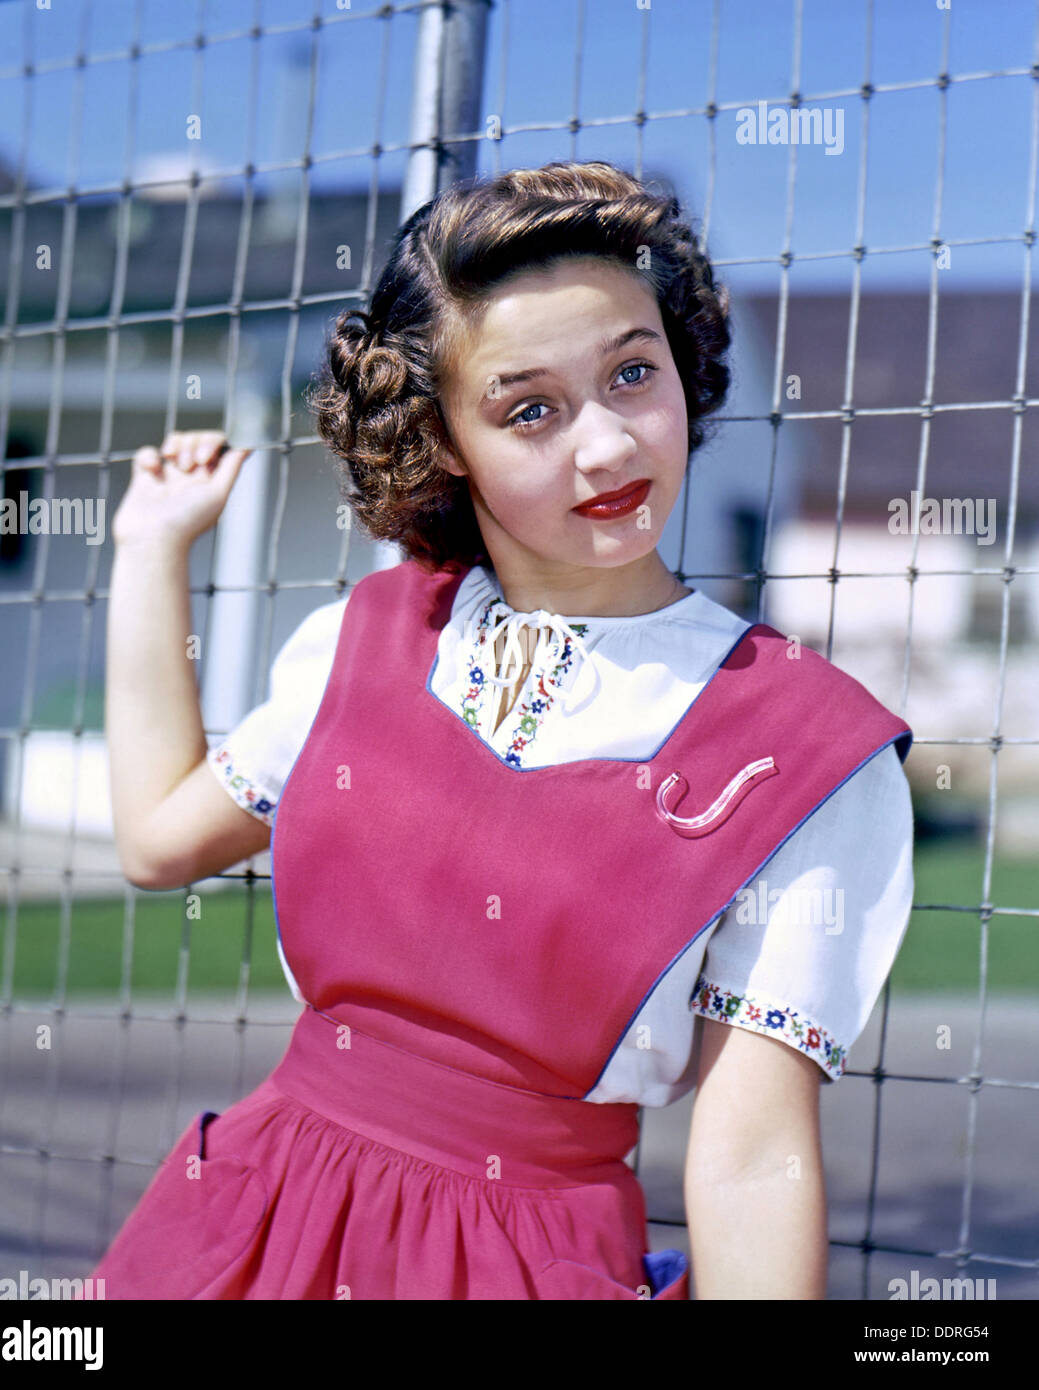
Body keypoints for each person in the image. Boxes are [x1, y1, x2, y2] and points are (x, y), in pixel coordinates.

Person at [90, 160, 914, 1301]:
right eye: (529, 408)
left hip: (523, 1266)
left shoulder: (810, 750)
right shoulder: (364, 637)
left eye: (633, 372)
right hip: (251, 1222)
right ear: (442, 443)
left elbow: (754, 1153)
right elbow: (155, 841)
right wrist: (147, 551)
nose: (609, 448)